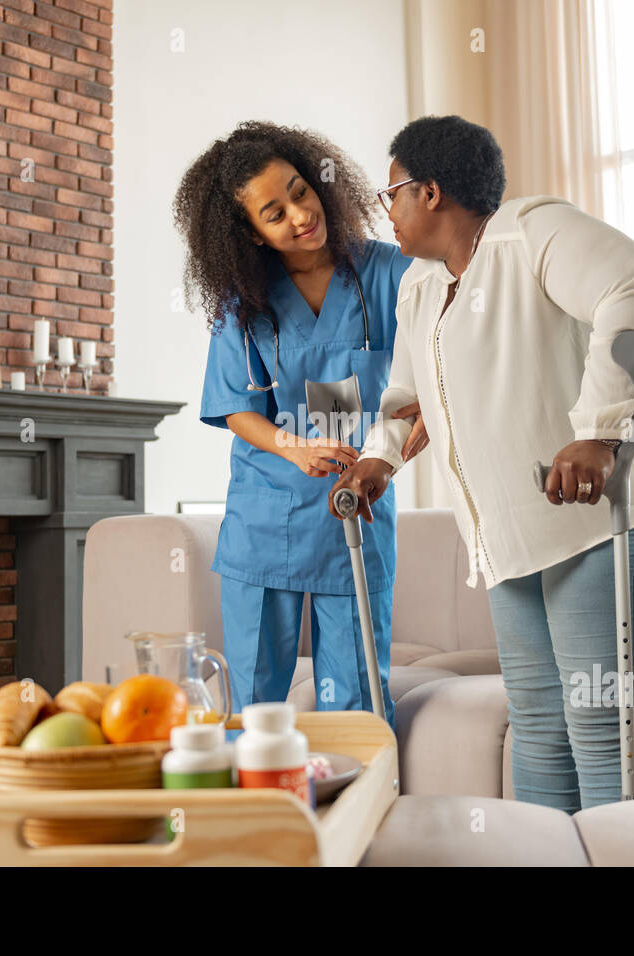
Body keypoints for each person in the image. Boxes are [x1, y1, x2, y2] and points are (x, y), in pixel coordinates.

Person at [330, 115, 634, 809]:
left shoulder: (531, 230)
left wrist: (599, 432)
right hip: (513, 540)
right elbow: (406, 402)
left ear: (431, 192)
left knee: (599, 724)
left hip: (612, 523)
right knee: (537, 728)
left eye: (394, 193)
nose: (388, 211)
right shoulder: (419, 286)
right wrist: (379, 460)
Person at [176, 121, 415, 729]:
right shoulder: (243, 301)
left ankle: (356, 818)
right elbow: (235, 408)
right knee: (254, 701)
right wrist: (295, 448)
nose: (300, 216)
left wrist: (386, 457)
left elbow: (432, 375)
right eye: (274, 213)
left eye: (301, 192)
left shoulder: (388, 272)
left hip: (354, 504)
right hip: (267, 515)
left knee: (356, 699)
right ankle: (256, 816)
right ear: (250, 234)